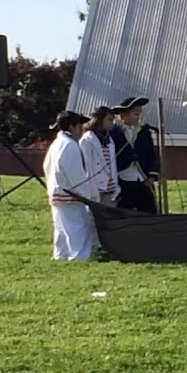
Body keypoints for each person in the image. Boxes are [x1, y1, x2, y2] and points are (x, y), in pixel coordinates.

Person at [44, 111, 96, 261]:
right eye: (80, 126)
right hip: (70, 194)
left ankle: (61, 255)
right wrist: (86, 195)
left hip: (57, 192)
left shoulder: (56, 144)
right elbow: (75, 175)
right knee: (79, 227)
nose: (82, 130)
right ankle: (79, 257)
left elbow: (46, 166)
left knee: (62, 228)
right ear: (73, 127)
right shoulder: (70, 145)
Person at [110, 96, 159, 213]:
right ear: (123, 115)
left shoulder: (144, 131)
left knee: (149, 209)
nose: (138, 117)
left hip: (141, 176)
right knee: (123, 210)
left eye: (139, 114)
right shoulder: (114, 132)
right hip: (123, 176)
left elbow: (150, 153)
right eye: (135, 114)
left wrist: (151, 175)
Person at [79, 106, 119, 206]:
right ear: (100, 120)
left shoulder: (110, 139)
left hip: (110, 188)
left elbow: (112, 166)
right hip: (97, 188)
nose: (112, 123)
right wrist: (92, 190)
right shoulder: (88, 139)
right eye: (109, 120)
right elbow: (87, 167)